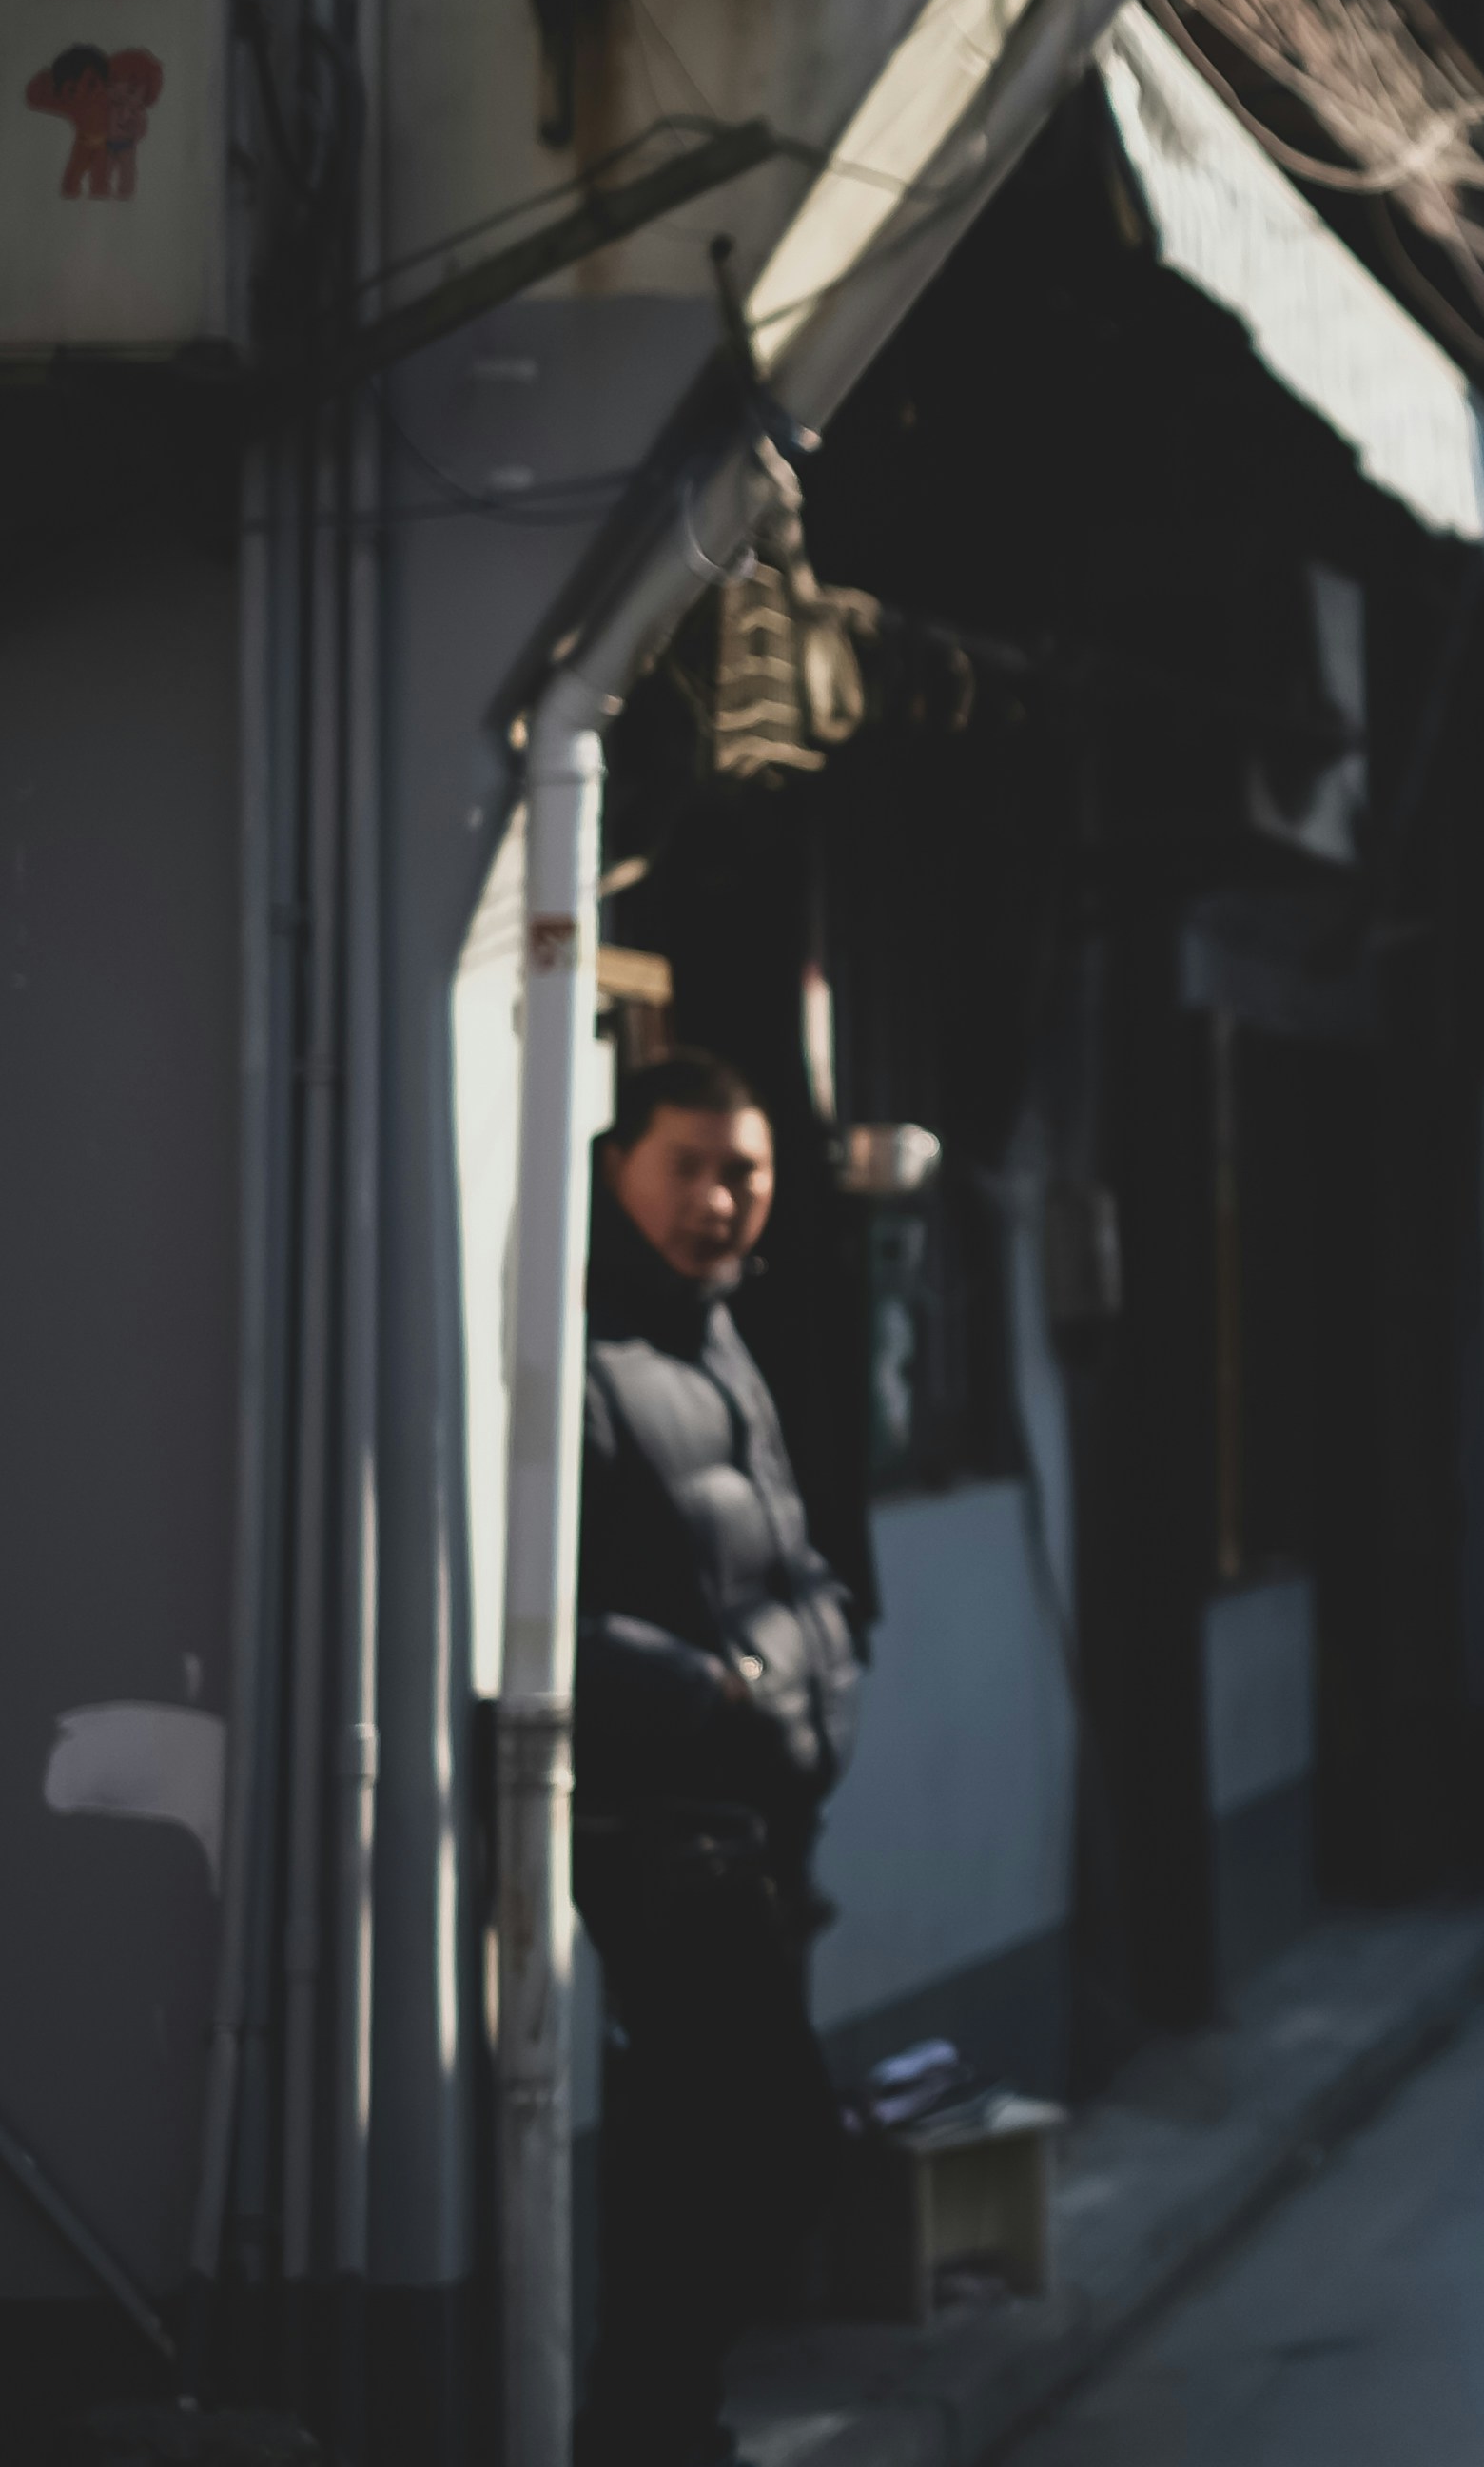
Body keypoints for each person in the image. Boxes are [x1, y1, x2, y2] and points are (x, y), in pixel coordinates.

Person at [573, 1053, 869, 2467]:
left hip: (751, 1835)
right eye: (685, 1164)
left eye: (742, 1170)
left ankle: (660, 2424)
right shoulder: (581, 1348)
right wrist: (721, 1689)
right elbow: (535, 1624)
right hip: (650, 1840)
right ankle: (646, 2427)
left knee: (724, 2167)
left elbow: (800, 1560)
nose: (716, 1198)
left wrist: (819, 1677)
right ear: (616, 1163)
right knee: (758, 2156)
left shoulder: (722, 1335)